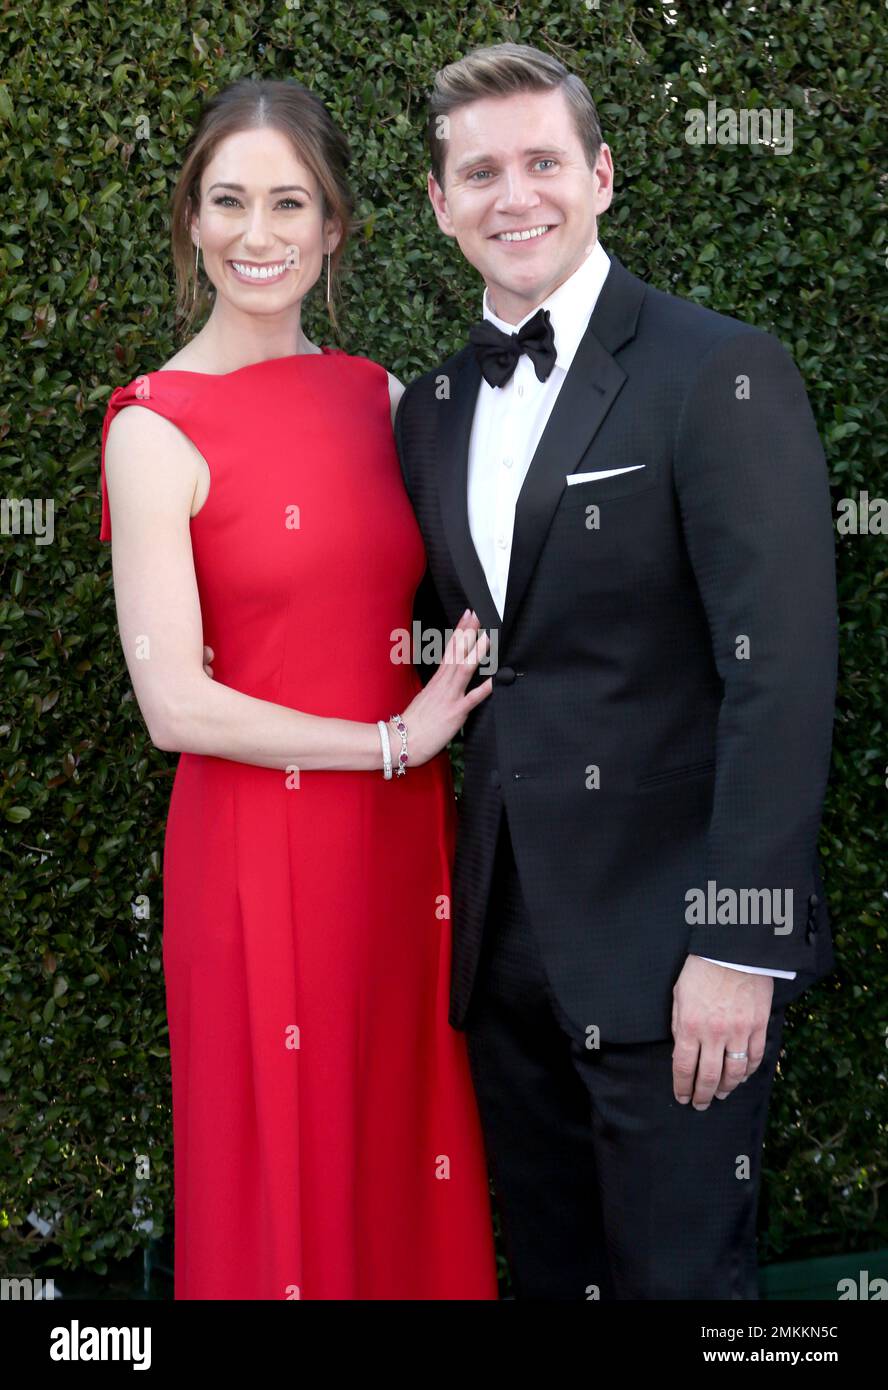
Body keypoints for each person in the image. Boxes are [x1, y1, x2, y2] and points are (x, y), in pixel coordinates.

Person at [394, 42, 838, 1299]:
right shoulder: (428, 407)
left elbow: (784, 674)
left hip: (674, 948)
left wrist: (741, 946)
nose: (513, 195)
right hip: (505, 946)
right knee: (552, 1276)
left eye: (542, 161)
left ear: (600, 175)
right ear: (440, 205)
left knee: (684, 1283)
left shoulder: (718, 370)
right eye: (479, 171)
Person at [98, 77, 498, 1300]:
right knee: (283, 1162)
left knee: (399, 1140)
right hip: (259, 845)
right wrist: (392, 737)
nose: (257, 233)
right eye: (229, 201)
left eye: (290, 202)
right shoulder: (154, 425)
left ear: (332, 230)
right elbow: (177, 707)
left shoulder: (382, 399)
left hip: (399, 851)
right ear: (192, 222)